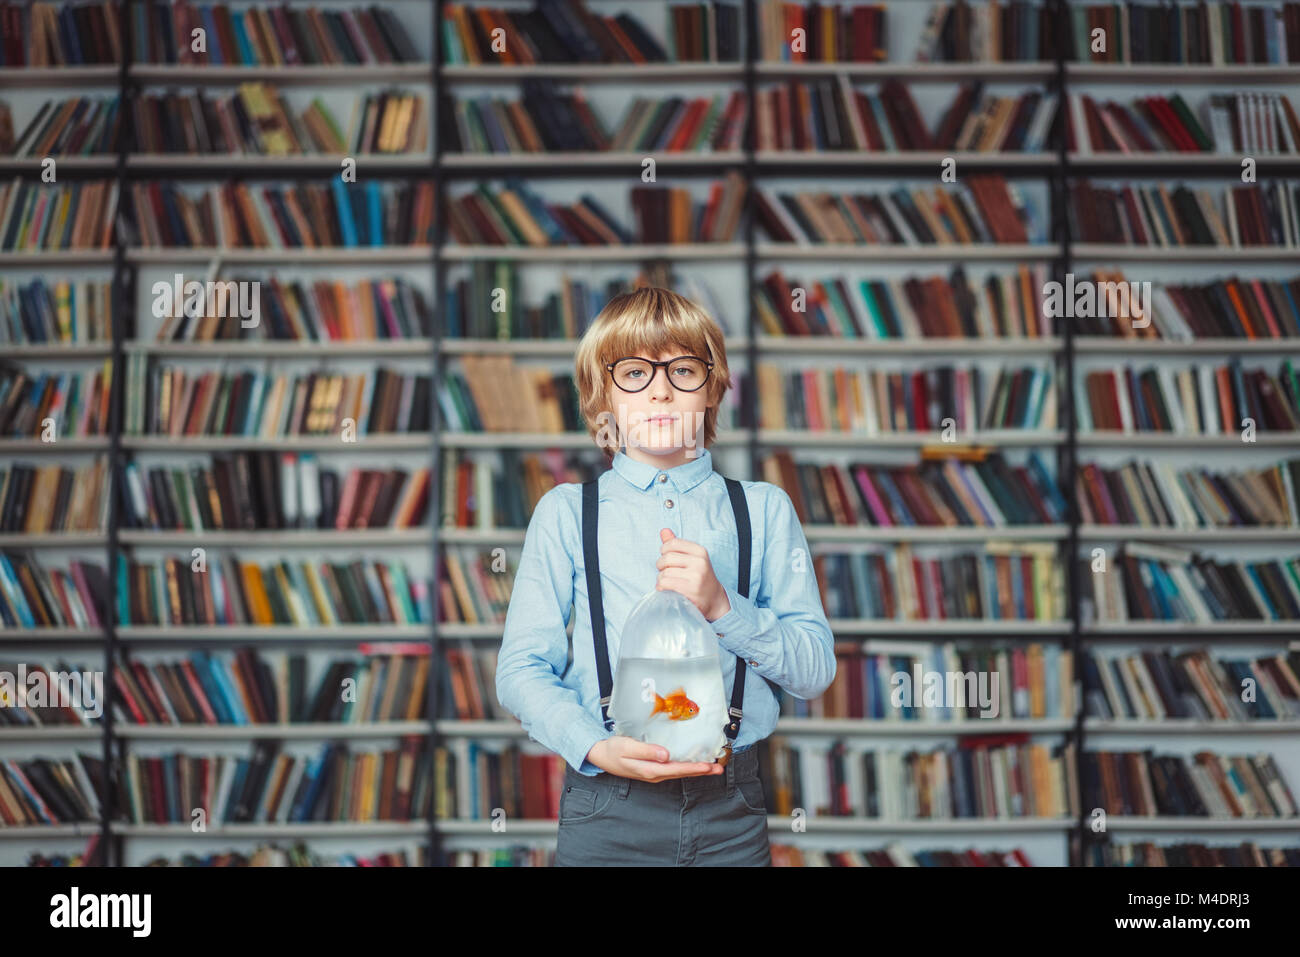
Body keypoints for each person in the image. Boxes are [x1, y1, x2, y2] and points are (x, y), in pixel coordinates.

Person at [495, 286, 836, 866]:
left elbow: (814, 671)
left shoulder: (764, 509)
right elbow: (520, 671)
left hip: (732, 811)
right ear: (602, 396)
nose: (659, 388)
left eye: (682, 369)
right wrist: (594, 746)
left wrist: (725, 607)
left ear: (713, 387)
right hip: (607, 810)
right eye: (633, 371)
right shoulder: (564, 512)